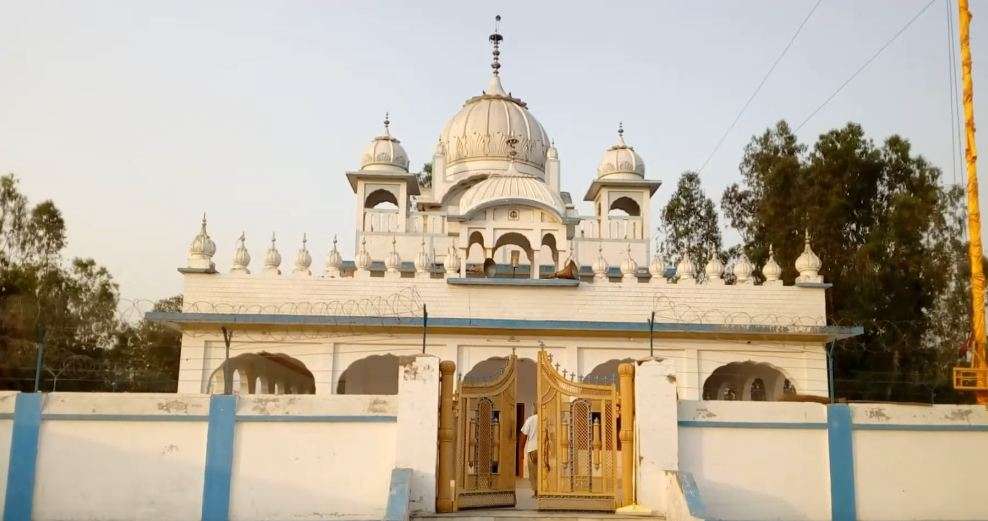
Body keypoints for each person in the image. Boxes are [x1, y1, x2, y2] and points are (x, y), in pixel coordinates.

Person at [518, 413, 539, 496]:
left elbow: (523, 436)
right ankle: (545, 492)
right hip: (545, 449)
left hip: (533, 448)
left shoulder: (530, 420)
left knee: (533, 471)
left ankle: (536, 492)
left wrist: (521, 451)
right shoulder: (546, 418)